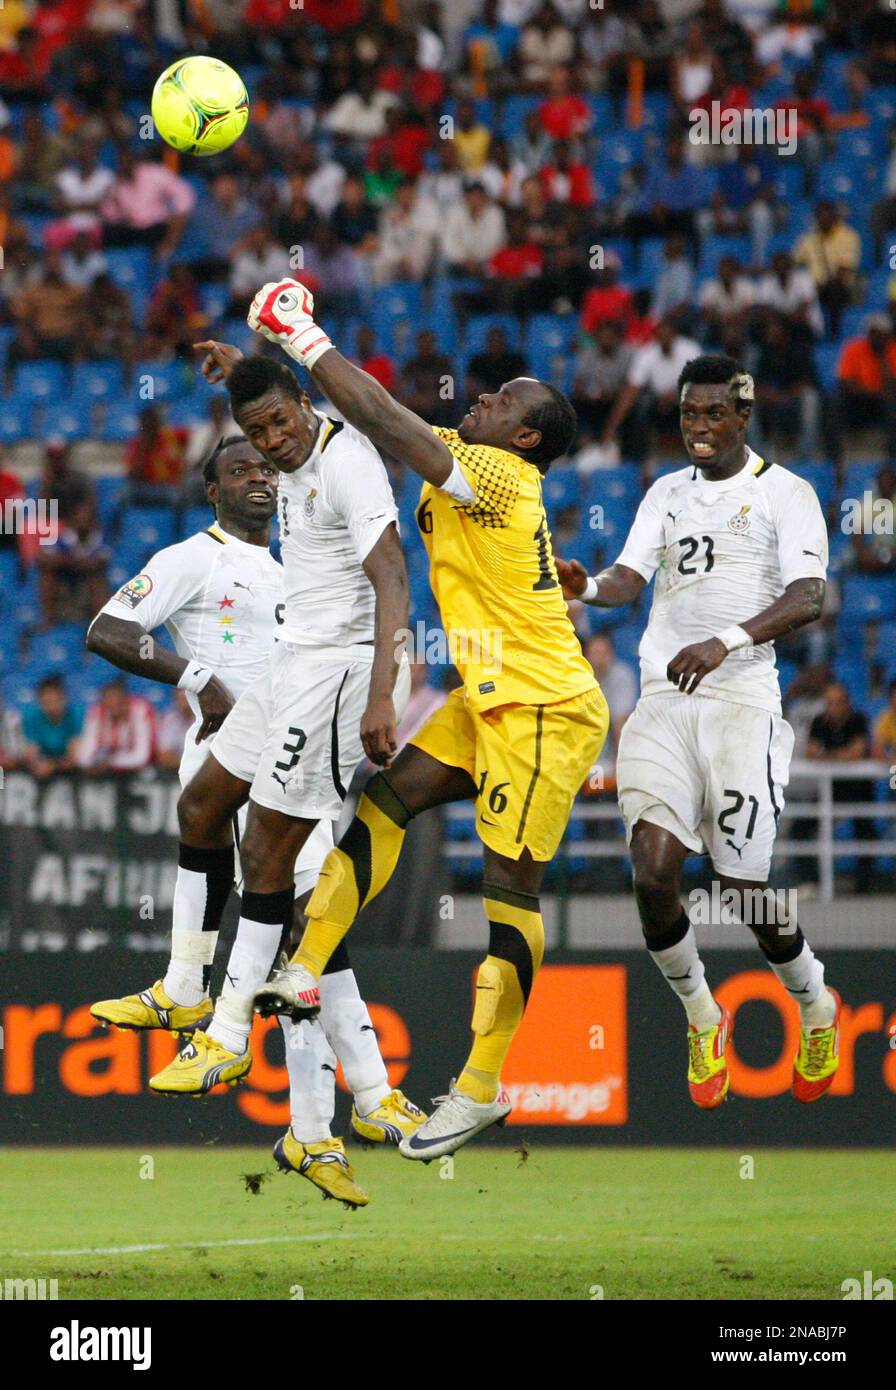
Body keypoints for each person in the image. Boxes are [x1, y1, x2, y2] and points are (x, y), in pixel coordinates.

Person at [246, 277, 608, 1160]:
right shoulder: (470, 458)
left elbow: (388, 419)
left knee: (507, 892)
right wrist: (262, 387)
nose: (483, 396)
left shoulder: (498, 470)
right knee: (385, 802)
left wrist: (303, 334)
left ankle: (478, 1088)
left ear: (525, 436)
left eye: (504, 399)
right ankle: (302, 972)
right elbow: (368, 422)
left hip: (541, 708)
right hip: (485, 694)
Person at [88, 434, 422, 1205]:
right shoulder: (189, 558)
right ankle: (354, 1100)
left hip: (295, 763)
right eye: (238, 470)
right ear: (211, 490)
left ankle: (318, 1127)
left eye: (267, 469)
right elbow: (106, 630)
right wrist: (196, 674)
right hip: (233, 769)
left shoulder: (287, 573)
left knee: (310, 937)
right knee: (302, 932)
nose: (259, 479)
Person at [556, 354, 843, 1110]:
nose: (700, 428)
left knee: (741, 890)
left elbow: (809, 594)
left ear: (743, 417)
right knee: (652, 872)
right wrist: (585, 586)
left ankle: (814, 1001)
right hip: (662, 698)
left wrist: (726, 642)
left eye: (714, 414)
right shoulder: (664, 493)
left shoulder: (787, 493)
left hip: (743, 701)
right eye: (689, 415)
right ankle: (700, 1016)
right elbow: (628, 579)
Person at [806, 682, 878, 895]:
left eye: (837, 703)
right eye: (829, 703)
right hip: (831, 788)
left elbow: (857, 753)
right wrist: (841, 755)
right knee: (801, 827)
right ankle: (813, 882)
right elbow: (810, 753)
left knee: (866, 833)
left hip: (859, 789)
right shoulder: (819, 721)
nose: (833, 707)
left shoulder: (859, 719)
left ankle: (863, 888)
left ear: (847, 703)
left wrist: (826, 755)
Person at [77, 677, 155, 772]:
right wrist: (97, 762)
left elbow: (142, 757)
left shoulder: (140, 710)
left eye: (118, 700)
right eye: (108, 700)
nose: (113, 704)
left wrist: (112, 761)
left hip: (140, 770)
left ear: (126, 699)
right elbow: (84, 755)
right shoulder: (97, 712)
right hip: (106, 769)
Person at [21, 674, 82, 778]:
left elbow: (75, 757)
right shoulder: (31, 716)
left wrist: (52, 765)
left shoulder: (76, 714)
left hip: (72, 773)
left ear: (63, 697)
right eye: (45, 697)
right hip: (42, 771)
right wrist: (37, 764)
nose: (50, 700)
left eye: (54, 696)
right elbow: (30, 752)